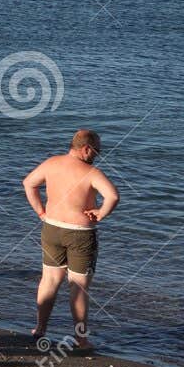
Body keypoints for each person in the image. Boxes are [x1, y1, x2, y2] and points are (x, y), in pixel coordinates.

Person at [21, 129, 119, 351]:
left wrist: (41, 212)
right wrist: (101, 213)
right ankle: (80, 339)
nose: (98, 156)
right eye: (97, 151)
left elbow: (28, 183)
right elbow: (113, 196)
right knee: (79, 288)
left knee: (49, 280)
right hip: (80, 233)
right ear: (86, 149)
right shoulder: (91, 171)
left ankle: (40, 329)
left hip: (52, 228)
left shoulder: (51, 163)